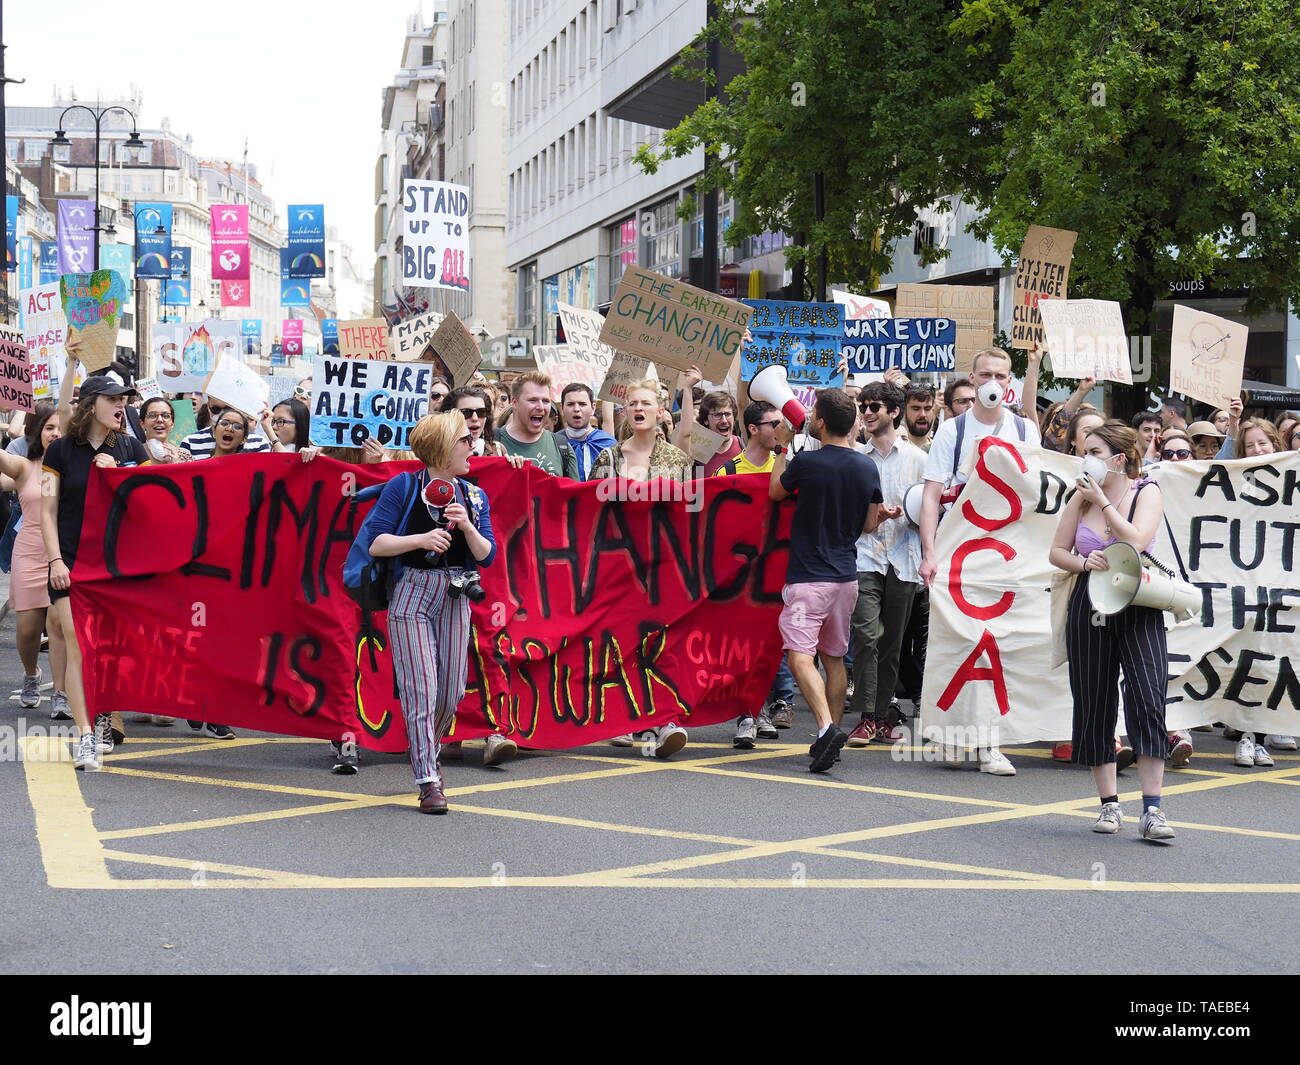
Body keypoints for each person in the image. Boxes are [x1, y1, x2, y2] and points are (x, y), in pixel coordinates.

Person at [355, 410, 498, 813]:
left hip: (456, 594)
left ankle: (426, 748)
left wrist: (467, 527)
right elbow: (377, 543)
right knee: (422, 690)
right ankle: (428, 779)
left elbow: (487, 555)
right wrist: (420, 538)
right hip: (413, 594)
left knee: (451, 692)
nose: (471, 445)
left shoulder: (473, 495)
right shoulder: (402, 486)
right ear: (441, 448)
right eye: (464, 440)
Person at [1048, 420, 1174, 841]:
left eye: (1095, 452)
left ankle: (1152, 809)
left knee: (1147, 694)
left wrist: (1103, 502)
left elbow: (1137, 539)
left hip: (1137, 600)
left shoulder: (1145, 490)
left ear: (1119, 458)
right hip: (1090, 602)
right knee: (1093, 696)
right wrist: (1084, 563)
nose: (1087, 459)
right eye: (1085, 451)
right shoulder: (1078, 497)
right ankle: (1109, 805)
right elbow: (1057, 551)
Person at [918, 347, 1040, 776]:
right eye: (985, 374)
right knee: (958, 642)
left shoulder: (1025, 430)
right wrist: (930, 552)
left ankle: (990, 741)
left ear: (1011, 381)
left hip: (1007, 557)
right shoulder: (953, 430)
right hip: (960, 553)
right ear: (973, 378)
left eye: (1001, 375)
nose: (993, 382)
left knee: (999, 646)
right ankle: (953, 735)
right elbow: (932, 495)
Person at [770, 388, 887, 773]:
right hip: (845, 579)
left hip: (807, 579)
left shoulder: (806, 461)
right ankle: (831, 736)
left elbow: (775, 491)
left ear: (819, 422)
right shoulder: (867, 467)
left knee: (800, 657)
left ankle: (823, 730)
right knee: (835, 659)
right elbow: (870, 525)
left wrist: (784, 447)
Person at [41, 375, 151, 771]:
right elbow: (46, 511)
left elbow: (155, 500)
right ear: (90, 404)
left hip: (116, 567)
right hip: (70, 564)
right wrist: (55, 561)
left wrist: (121, 472)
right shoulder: (59, 451)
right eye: (113, 399)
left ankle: (103, 711)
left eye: (125, 400)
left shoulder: (129, 447)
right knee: (78, 645)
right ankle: (86, 734)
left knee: (109, 648)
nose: (122, 405)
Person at [589, 380, 693, 756]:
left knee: (663, 646)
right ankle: (628, 718)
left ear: (660, 409)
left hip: (664, 567)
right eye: (632, 403)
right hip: (620, 567)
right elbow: (592, 514)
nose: (638, 408)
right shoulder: (608, 459)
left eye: (646, 403)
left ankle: (665, 720)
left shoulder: (678, 461)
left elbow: (691, 514)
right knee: (623, 645)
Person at [846, 382, 925, 747]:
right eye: (863, 406)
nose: (867, 412)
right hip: (866, 554)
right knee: (866, 635)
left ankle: (880, 716)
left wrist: (906, 516)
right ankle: (866, 716)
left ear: (894, 412)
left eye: (874, 406)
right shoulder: (857, 459)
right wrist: (871, 516)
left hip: (905, 558)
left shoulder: (920, 460)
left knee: (892, 644)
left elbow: (931, 511)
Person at [716, 400, 790, 746]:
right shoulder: (728, 472)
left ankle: (764, 707)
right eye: (773, 423)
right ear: (753, 429)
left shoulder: (787, 466)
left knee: (771, 647)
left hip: (779, 573)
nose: (779, 428)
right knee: (743, 648)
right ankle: (748, 715)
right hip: (743, 577)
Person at [1228, 418, 1297, 762]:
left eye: (1263, 444)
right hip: (1246, 586)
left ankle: (1263, 734)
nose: (1257, 450)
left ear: (1276, 446)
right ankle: (1245, 735)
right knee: (1247, 660)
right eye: (1250, 445)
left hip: (1282, 586)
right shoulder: (1234, 485)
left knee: (1274, 660)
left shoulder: (1292, 484)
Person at [0, 406, 68, 718]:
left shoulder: (75, 467)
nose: (55, 433)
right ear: (38, 432)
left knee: (58, 626)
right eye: (48, 428)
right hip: (28, 553)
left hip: (64, 555)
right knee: (28, 632)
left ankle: (61, 691)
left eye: (59, 428)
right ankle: (31, 674)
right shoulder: (26, 467)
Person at [498, 372, 578, 478]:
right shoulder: (492, 444)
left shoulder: (563, 447)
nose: (540, 407)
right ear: (514, 402)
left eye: (545, 401)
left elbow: (574, 493)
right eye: (532, 400)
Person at [674, 371, 742, 475]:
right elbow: (685, 434)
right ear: (705, 420)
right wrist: (688, 388)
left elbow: (743, 404)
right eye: (717, 415)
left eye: (728, 414)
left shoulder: (744, 446)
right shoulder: (696, 452)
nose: (724, 420)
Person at [556, 382, 615, 479]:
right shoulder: (552, 443)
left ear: (593, 408)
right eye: (570, 404)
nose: (576, 409)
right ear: (562, 408)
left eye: (582, 404)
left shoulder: (608, 443)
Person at [182, 398, 274, 458]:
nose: (229, 428)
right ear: (208, 407)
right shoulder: (189, 442)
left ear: (243, 439)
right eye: (216, 409)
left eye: (228, 409)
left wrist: (268, 429)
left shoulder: (259, 443)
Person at [901, 383, 936, 451]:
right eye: (916, 409)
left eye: (927, 409)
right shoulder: (896, 451)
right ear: (904, 409)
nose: (922, 415)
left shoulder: (940, 451)